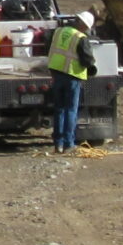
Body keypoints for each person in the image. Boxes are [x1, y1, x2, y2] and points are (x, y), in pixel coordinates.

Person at [46, 10, 94, 153]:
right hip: (72, 76)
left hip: (56, 73)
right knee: (71, 110)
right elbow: (88, 59)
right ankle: (69, 144)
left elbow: (48, 47)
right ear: (83, 25)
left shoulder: (58, 31)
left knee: (59, 109)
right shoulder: (81, 38)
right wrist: (91, 67)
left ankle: (58, 144)